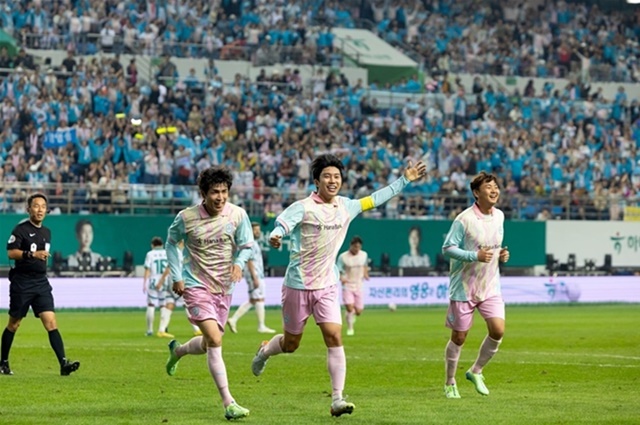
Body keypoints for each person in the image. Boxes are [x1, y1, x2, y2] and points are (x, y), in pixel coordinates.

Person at [251, 154, 426, 417]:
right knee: (291, 344)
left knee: (334, 336)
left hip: (328, 285)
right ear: (316, 180)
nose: (333, 181)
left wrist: (404, 180)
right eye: (327, 176)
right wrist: (276, 236)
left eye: (337, 177)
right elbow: (281, 226)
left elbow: (375, 198)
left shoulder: (347, 206)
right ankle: (265, 351)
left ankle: (337, 399)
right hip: (298, 285)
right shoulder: (303, 207)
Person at [163, 166, 254, 420]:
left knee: (207, 343)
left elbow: (247, 245)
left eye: (224, 191)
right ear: (203, 193)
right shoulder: (186, 217)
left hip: (224, 288)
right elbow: (171, 243)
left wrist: (239, 263)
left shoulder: (237, 215)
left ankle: (178, 351)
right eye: (215, 192)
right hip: (195, 285)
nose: (220, 197)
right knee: (214, 339)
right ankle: (229, 403)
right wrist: (177, 276)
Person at [441, 171, 510, 399]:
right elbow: (447, 248)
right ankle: (450, 382)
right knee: (459, 337)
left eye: (496, 186)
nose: (494, 190)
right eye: (488, 187)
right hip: (464, 287)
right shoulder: (464, 219)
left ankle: (476, 371)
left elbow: (494, 246)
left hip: (490, 285)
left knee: (498, 330)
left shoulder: (499, 216)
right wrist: (474, 256)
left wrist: (502, 254)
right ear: (476, 192)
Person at [1, 193, 80, 376]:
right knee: (14, 324)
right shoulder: (20, 230)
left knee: (51, 322)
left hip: (41, 282)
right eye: (36, 206)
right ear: (28, 209)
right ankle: (3, 362)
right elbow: (11, 253)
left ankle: (63, 364)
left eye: (43, 207)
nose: (40, 210)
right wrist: (32, 255)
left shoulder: (47, 232)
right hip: (22, 282)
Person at [227, 222, 276, 334]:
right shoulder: (250, 243)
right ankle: (261, 326)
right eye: (255, 230)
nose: (258, 232)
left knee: (254, 300)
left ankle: (233, 319)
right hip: (255, 275)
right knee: (259, 299)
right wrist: (255, 277)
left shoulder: (254, 243)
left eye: (259, 230)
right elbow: (249, 261)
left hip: (257, 274)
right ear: (250, 231)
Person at [156, 242, 202, 337]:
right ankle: (197, 329)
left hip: (171, 281)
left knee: (170, 304)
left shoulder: (178, 251)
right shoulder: (178, 251)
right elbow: (170, 266)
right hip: (176, 281)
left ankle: (161, 330)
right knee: (187, 303)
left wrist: (162, 280)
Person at [337, 236, 369, 336]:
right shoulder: (343, 257)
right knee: (350, 308)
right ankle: (350, 328)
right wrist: (341, 278)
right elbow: (338, 270)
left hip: (359, 284)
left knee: (358, 311)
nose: (357, 249)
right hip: (347, 284)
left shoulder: (364, 255)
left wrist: (366, 274)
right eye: (355, 247)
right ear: (351, 246)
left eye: (359, 247)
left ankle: (349, 315)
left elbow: (364, 266)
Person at [142, 236, 173, 338]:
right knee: (163, 305)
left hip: (153, 281)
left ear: (152, 245)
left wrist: (144, 282)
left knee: (151, 305)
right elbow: (169, 268)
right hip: (165, 281)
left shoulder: (150, 254)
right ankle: (162, 328)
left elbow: (147, 269)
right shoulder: (167, 253)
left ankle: (150, 330)